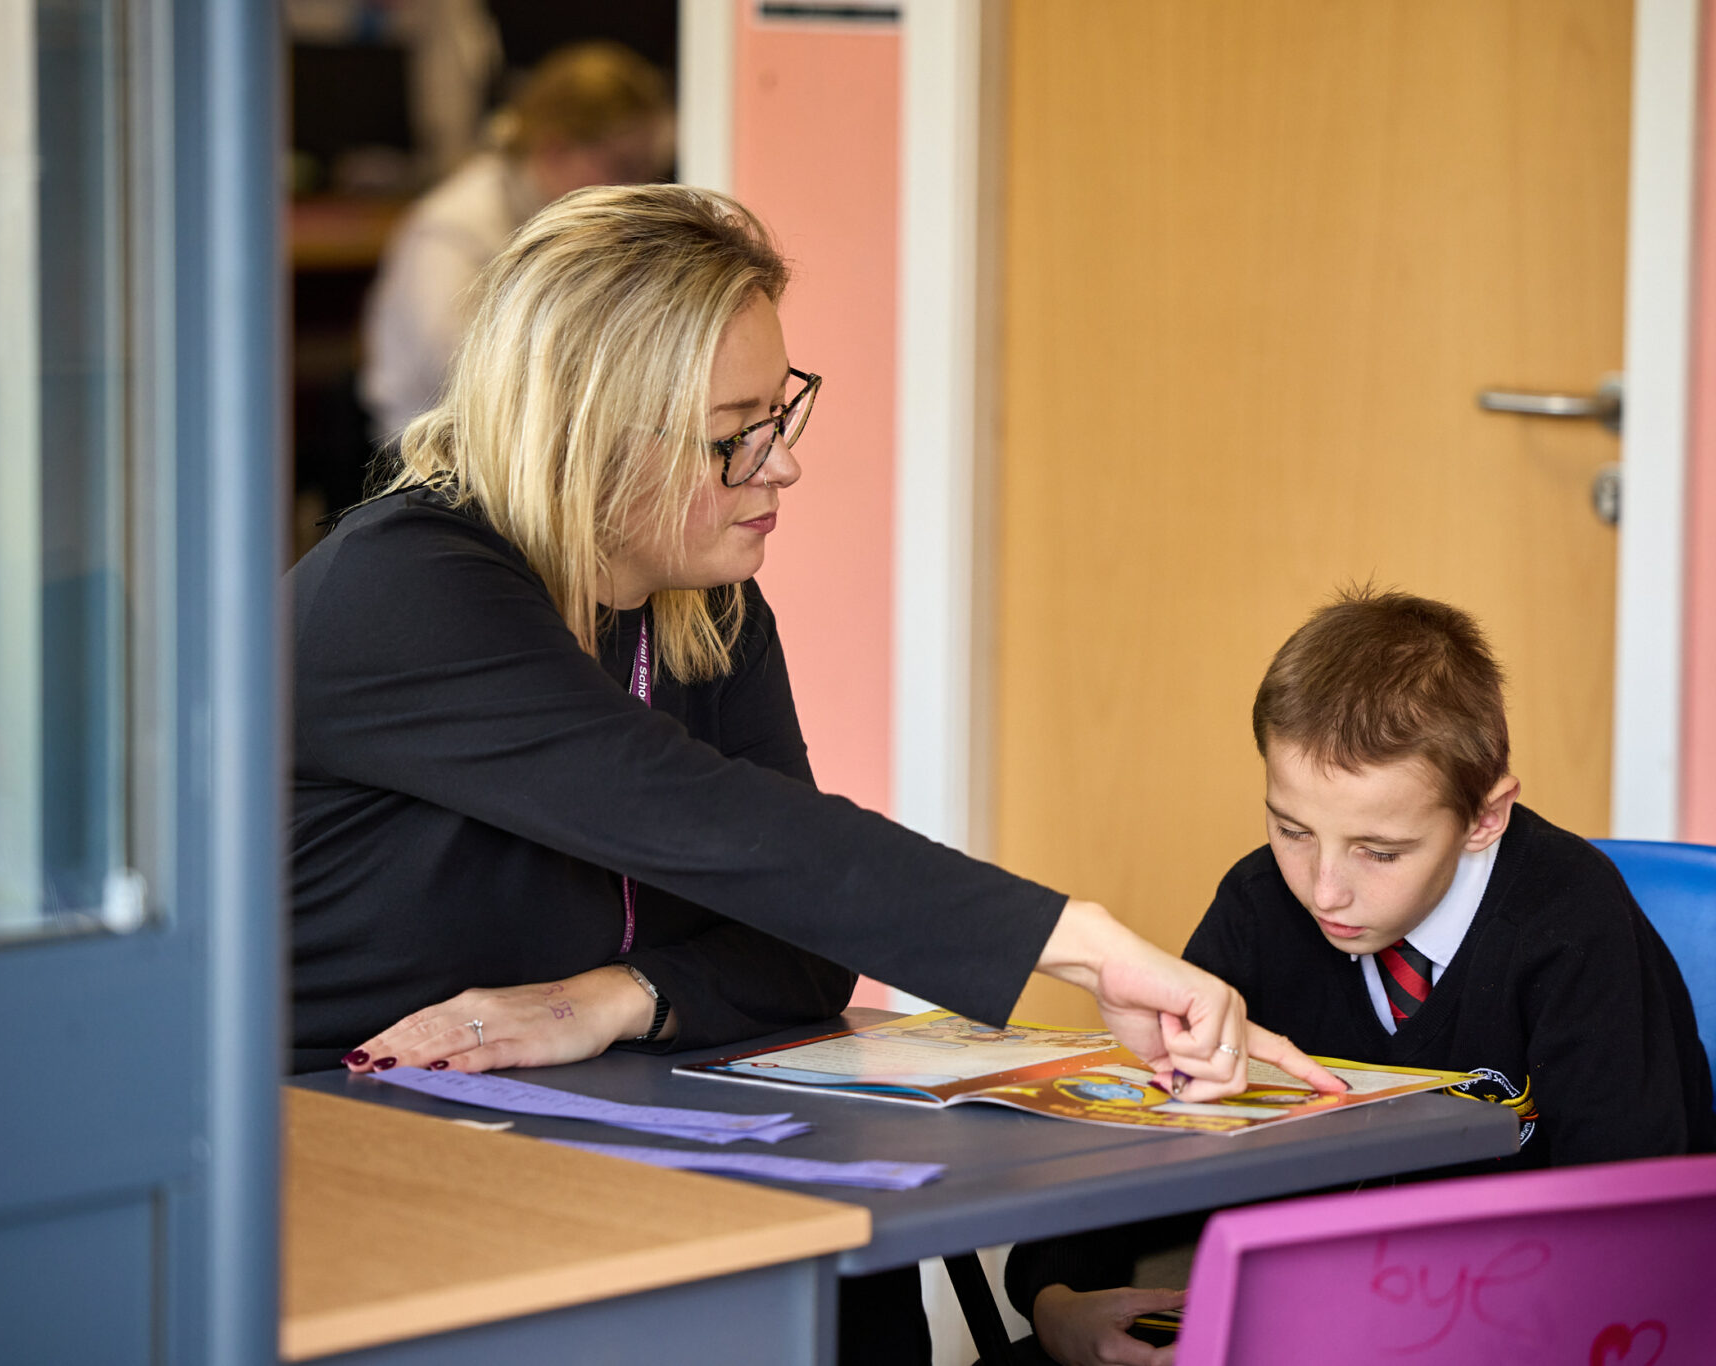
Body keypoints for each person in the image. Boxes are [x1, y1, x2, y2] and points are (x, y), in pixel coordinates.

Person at [289, 183, 1341, 1365]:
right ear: (590, 430)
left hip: (583, 1108)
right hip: (335, 1134)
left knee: (854, 1292)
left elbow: (797, 937)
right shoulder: (406, 591)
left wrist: (603, 999)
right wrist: (1086, 945)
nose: (780, 463)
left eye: (780, 410)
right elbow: (726, 830)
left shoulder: (705, 610)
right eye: (733, 432)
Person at [1003, 588, 1716, 1366]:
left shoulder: (1574, 923)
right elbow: (1147, 1139)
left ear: (1484, 816)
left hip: (1536, 1327)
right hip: (1315, 1317)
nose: (1325, 891)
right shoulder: (1259, 906)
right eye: (1291, 830)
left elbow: (1629, 1229)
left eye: (1379, 852)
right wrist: (1057, 1303)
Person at [359, 41, 675, 441]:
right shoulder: (454, 228)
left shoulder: (568, 221)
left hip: (527, 438)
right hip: (431, 452)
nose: (637, 188)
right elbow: (465, 376)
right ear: (555, 150)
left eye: (649, 169)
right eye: (623, 166)